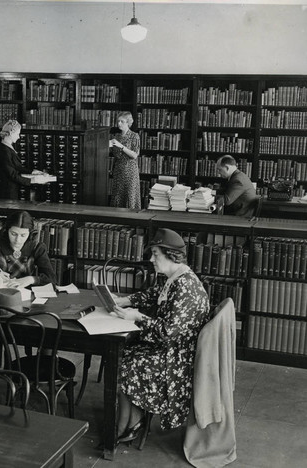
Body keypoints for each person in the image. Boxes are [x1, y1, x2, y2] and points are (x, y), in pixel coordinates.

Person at [112, 228, 210, 443]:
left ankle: (127, 425)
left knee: (125, 363)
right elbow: (154, 294)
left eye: (155, 254)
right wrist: (125, 301)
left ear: (171, 255)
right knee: (123, 355)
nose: (151, 259)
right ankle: (131, 421)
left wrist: (137, 317)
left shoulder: (185, 288)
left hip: (175, 361)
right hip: (172, 350)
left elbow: (165, 333)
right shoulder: (176, 277)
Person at [0, 210, 56, 288]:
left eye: (23, 235)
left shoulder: (37, 247)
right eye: (13, 234)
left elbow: (51, 279)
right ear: (6, 230)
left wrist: (31, 279)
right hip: (0, 292)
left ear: (30, 233)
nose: (18, 240)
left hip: (27, 293)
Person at [0, 119, 44, 200]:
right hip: (6, 191)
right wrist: (32, 180)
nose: (18, 137)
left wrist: (32, 172)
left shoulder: (8, 147)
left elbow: (16, 167)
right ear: (11, 133)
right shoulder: (4, 151)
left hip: (11, 189)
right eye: (17, 134)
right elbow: (12, 175)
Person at [109, 111, 141, 210]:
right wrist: (108, 145)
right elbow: (114, 154)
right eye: (118, 121)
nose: (119, 124)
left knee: (129, 194)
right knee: (118, 194)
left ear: (128, 122)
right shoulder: (117, 137)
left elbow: (135, 155)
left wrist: (121, 146)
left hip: (130, 171)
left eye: (122, 121)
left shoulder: (134, 136)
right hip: (118, 169)